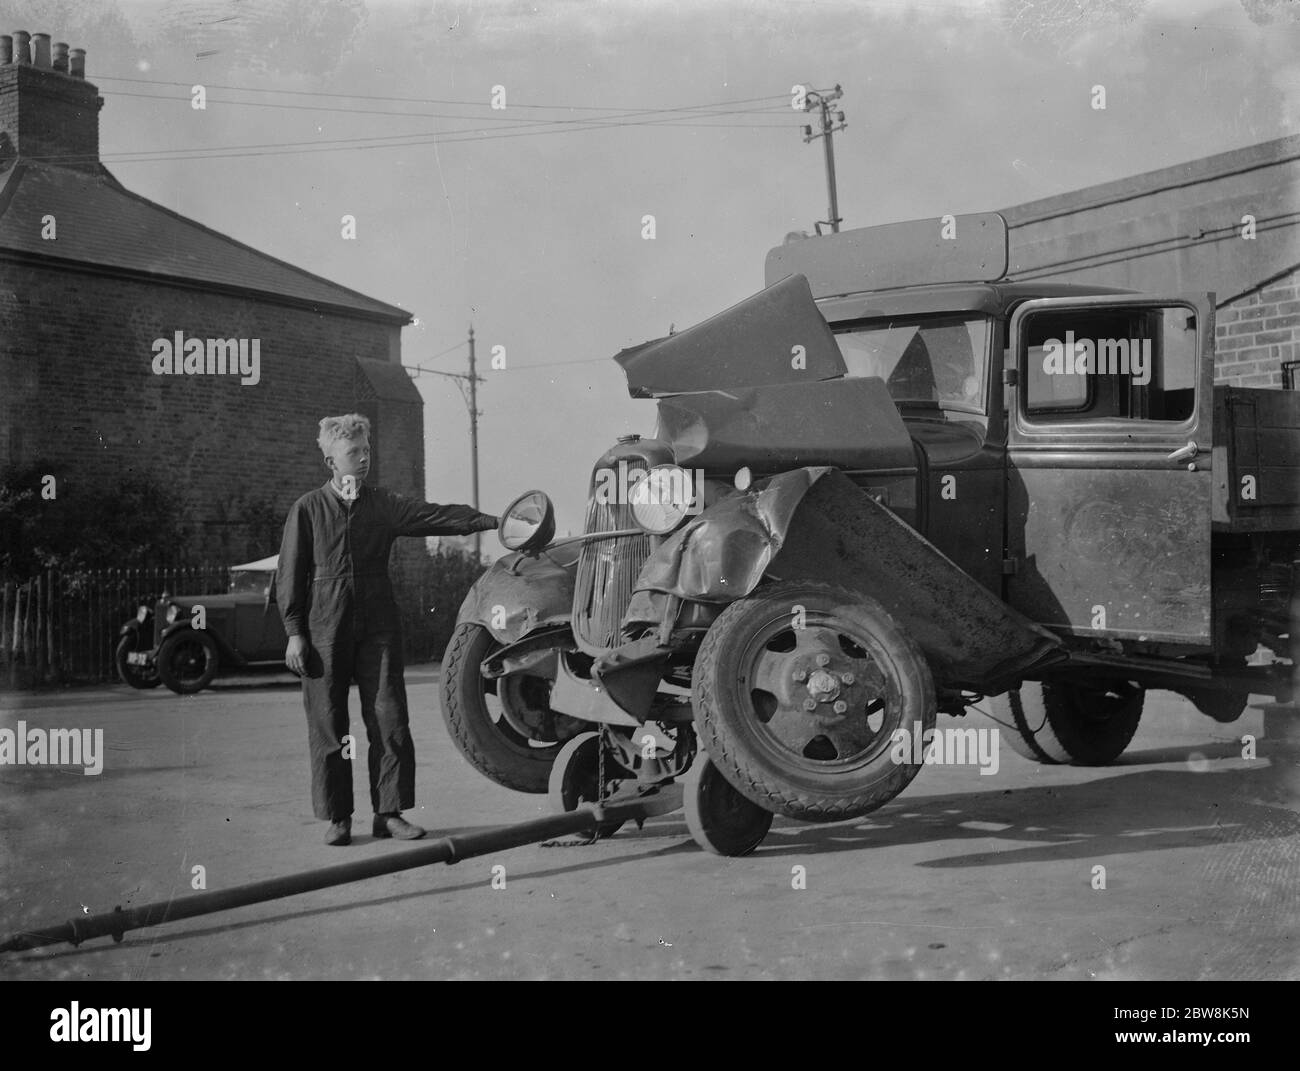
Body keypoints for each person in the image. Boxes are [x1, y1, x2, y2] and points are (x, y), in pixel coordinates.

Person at [277, 413, 498, 846]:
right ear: (330, 462)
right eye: (353, 453)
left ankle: (389, 813)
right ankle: (338, 817)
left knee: (389, 717)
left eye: (366, 451)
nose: (363, 459)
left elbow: (435, 516)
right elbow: (290, 572)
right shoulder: (307, 509)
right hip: (325, 626)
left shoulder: (382, 506)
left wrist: (493, 521)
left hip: (378, 623)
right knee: (328, 721)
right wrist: (294, 631)